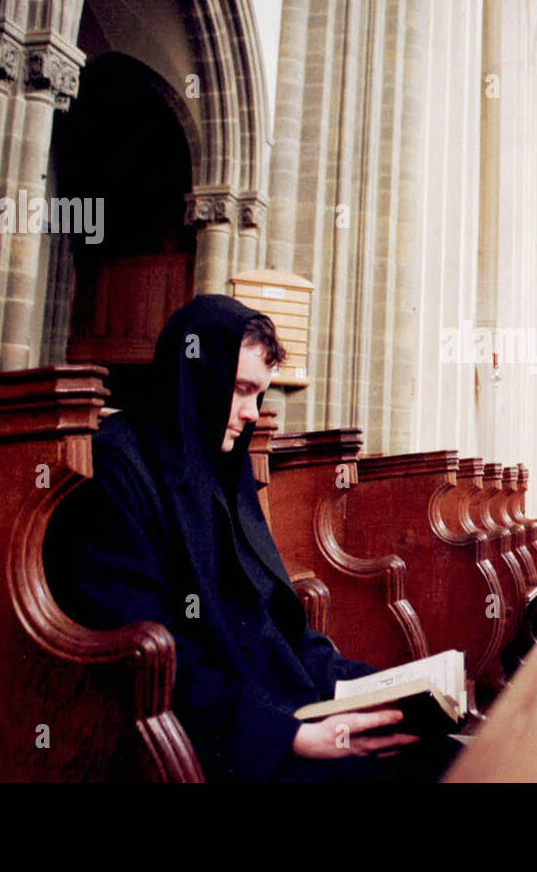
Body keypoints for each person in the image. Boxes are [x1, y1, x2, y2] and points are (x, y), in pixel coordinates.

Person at [43, 294, 459, 781]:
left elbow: (279, 627)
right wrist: (292, 737)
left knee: (444, 753)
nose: (250, 413)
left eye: (257, 394)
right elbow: (149, 654)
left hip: (270, 713)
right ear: (196, 375)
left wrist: (385, 688)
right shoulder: (115, 468)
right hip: (210, 744)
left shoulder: (224, 471)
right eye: (239, 389)